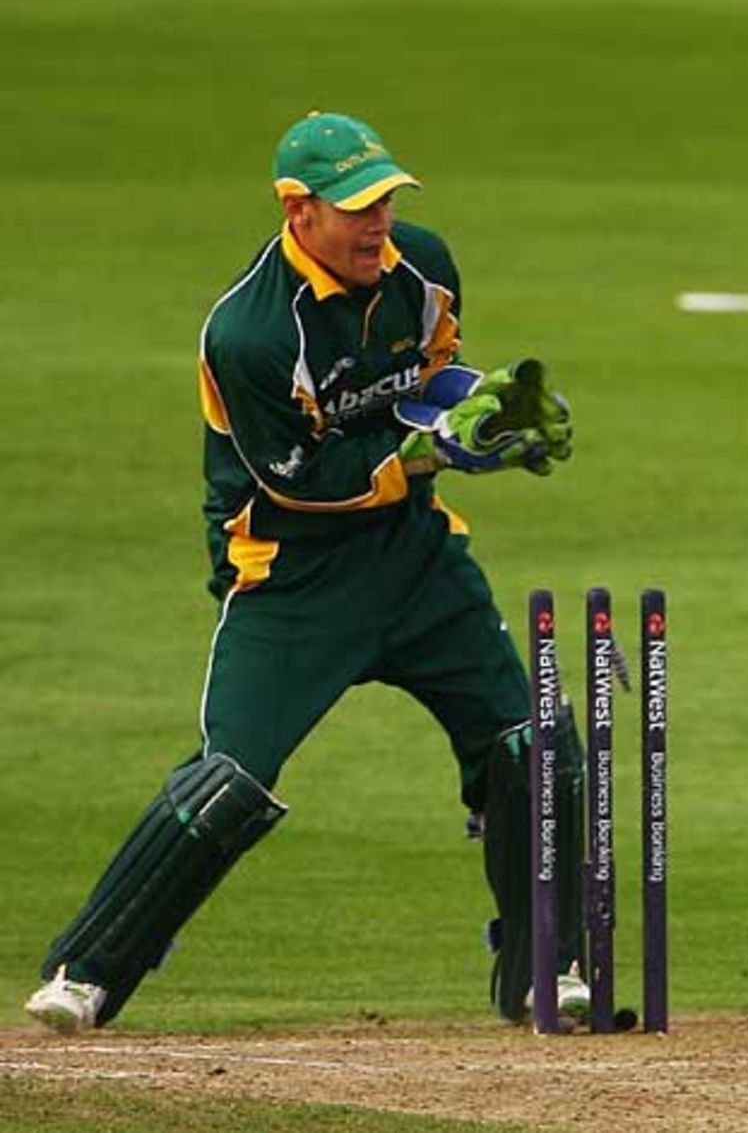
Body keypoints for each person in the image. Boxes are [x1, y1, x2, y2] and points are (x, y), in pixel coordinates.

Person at [25, 111, 589, 1033]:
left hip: (415, 560)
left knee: (530, 743)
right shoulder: (248, 334)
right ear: (299, 211)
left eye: (386, 203)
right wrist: (434, 453)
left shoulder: (423, 266)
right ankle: (84, 973)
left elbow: (429, 377)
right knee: (230, 780)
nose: (379, 225)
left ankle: (543, 967)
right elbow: (304, 479)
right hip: (293, 575)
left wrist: (488, 407)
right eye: (357, 209)